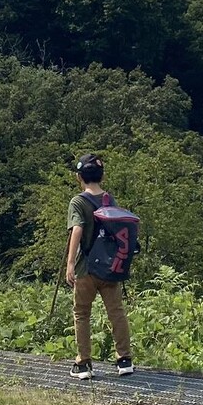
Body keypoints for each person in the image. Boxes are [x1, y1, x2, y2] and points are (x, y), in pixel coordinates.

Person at [65, 154, 133, 380]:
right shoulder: (109, 200)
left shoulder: (78, 202)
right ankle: (124, 360)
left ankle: (83, 364)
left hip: (87, 269)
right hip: (110, 268)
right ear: (101, 175)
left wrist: (71, 262)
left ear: (79, 177)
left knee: (82, 313)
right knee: (116, 313)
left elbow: (77, 229)